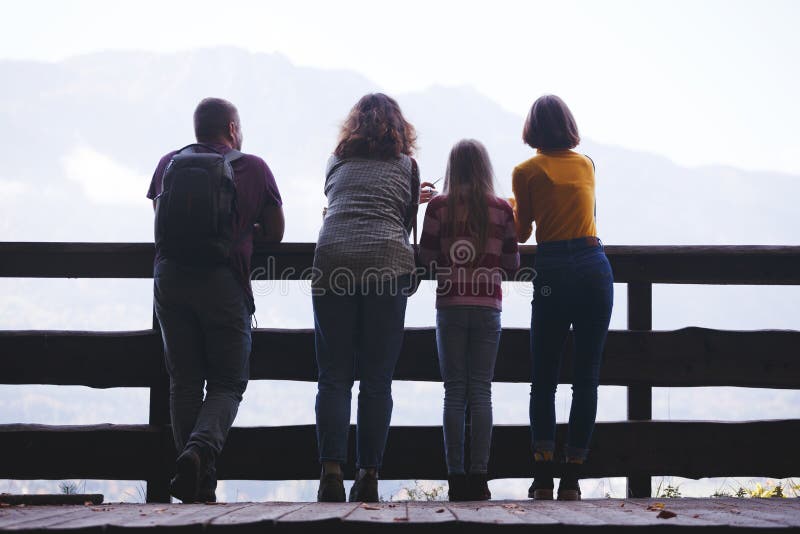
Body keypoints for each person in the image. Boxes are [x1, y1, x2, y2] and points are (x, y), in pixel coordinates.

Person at [147, 97, 284, 503]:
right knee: (227, 383)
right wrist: (247, 229)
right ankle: (198, 452)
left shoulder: (169, 164)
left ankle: (197, 485)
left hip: (171, 279)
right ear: (232, 128)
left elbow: (160, 222)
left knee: (184, 382)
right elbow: (275, 232)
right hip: (224, 281)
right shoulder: (253, 167)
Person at [313, 93, 419, 503]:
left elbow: (336, 202)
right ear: (400, 127)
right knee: (377, 378)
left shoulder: (335, 162)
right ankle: (369, 473)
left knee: (333, 375)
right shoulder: (408, 167)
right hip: (387, 267)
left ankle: (331, 474)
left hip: (333, 260)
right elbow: (404, 219)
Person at [511, 94, 613, 501]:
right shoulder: (586, 164)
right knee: (586, 376)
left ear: (532, 129)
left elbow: (521, 234)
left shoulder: (526, 170)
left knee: (544, 378)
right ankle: (572, 478)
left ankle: (541, 477)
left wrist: (511, 205)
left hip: (552, 270)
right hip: (594, 265)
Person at [418, 139, 519, 501]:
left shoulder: (439, 207)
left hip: (450, 305)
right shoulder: (501, 209)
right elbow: (512, 265)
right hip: (488, 306)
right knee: (481, 391)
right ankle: (480, 477)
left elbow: (427, 257)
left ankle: (455, 477)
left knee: (454, 392)